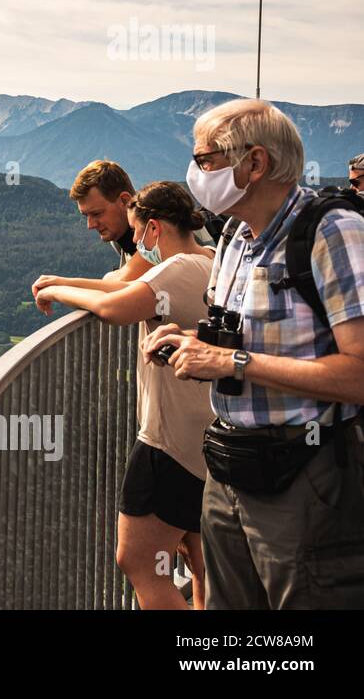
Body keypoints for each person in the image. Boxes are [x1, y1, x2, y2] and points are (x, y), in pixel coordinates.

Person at [145, 98, 364, 609]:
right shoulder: (236, 238)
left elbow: (359, 372)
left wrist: (232, 363)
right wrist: (199, 346)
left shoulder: (332, 231)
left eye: (205, 161)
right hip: (229, 469)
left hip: (305, 475)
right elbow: (244, 340)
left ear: (256, 163)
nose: (195, 175)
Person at [35, 181, 216, 609]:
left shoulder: (178, 269)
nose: (135, 242)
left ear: (154, 228)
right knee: (199, 557)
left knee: (137, 560)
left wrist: (55, 292)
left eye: (138, 232)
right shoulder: (209, 260)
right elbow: (123, 289)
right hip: (204, 437)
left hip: (169, 442)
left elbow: (117, 307)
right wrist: (61, 281)